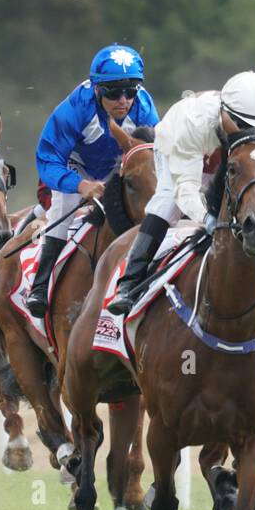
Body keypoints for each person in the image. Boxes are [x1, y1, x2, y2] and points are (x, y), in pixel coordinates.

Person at [105, 71, 255, 316]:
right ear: (226, 113)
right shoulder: (191, 125)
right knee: (167, 204)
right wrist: (209, 219)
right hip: (179, 146)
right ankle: (129, 282)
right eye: (242, 127)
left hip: (221, 148)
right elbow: (185, 190)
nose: (248, 133)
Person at [25, 44, 160, 318]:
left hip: (118, 167)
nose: (123, 100)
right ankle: (40, 284)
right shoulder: (74, 110)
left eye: (130, 91)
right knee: (64, 205)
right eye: (113, 92)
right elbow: (48, 160)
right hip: (75, 166)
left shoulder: (144, 108)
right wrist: (81, 185)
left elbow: (154, 157)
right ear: (97, 89)